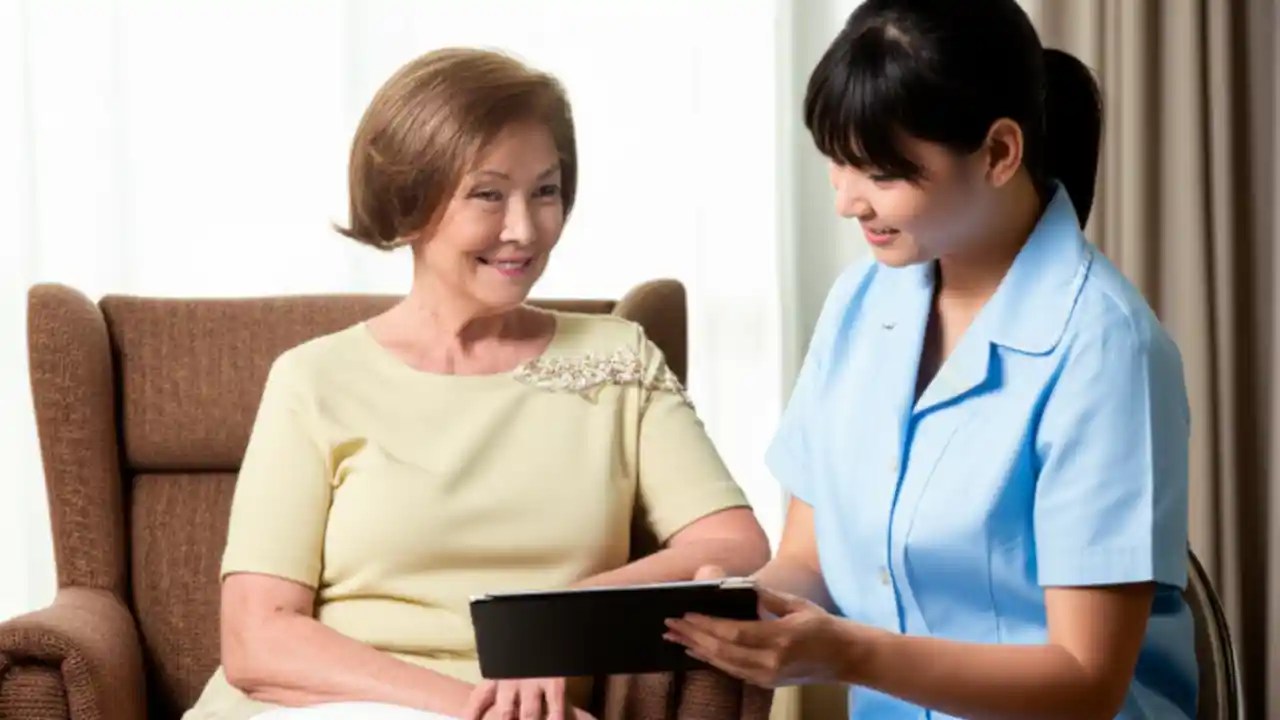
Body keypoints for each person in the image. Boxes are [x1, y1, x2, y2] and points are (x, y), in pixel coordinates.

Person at [184, 48, 770, 720]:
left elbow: (733, 544)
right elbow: (258, 640)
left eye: (544, 191)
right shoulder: (313, 380)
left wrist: (561, 616)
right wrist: (474, 709)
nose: (523, 229)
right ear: (410, 202)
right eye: (488, 194)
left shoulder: (618, 358)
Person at [664, 1, 1196, 718]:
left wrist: (848, 652)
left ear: (999, 154)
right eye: (837, 161)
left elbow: (1086, 681)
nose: (849, 201)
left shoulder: (1106, 349)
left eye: (881, 173)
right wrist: (747, 607)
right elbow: (811, 559)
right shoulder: (861, 301)